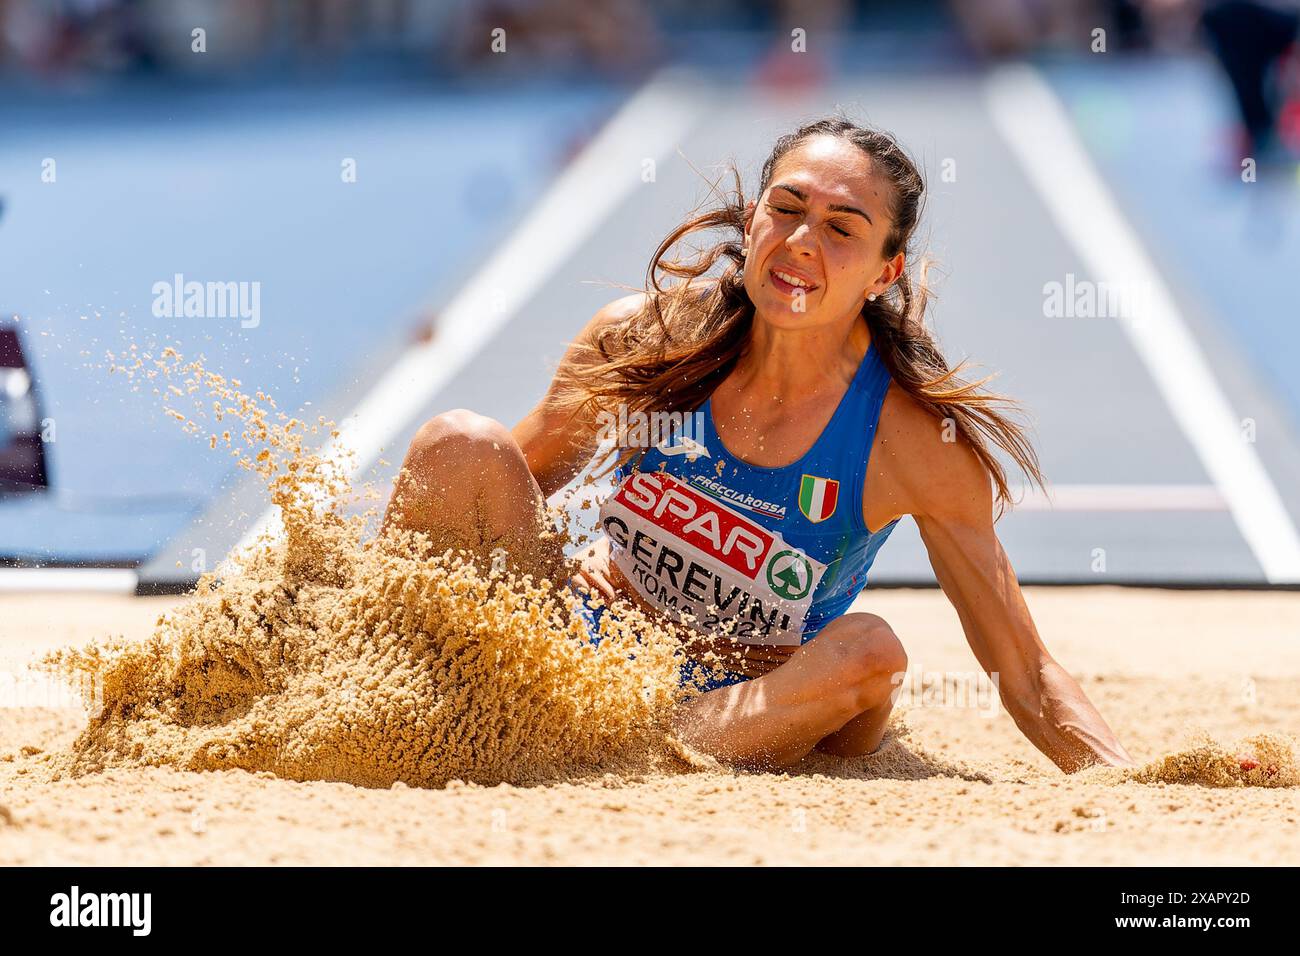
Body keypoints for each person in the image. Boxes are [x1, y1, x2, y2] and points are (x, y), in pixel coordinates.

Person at [381, 117, 1137, 774]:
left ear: (885, 271)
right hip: (590, 660)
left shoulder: (912, 443)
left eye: (842, 227)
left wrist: (1131, 782)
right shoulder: (650, 336)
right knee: (460, 444)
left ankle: (620, 745)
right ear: (752, 222)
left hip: (755, 703)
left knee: (872, 650)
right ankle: (354, 671)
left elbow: (1024, 669)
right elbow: (500, 494)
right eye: (787, 208)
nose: (803, 242)